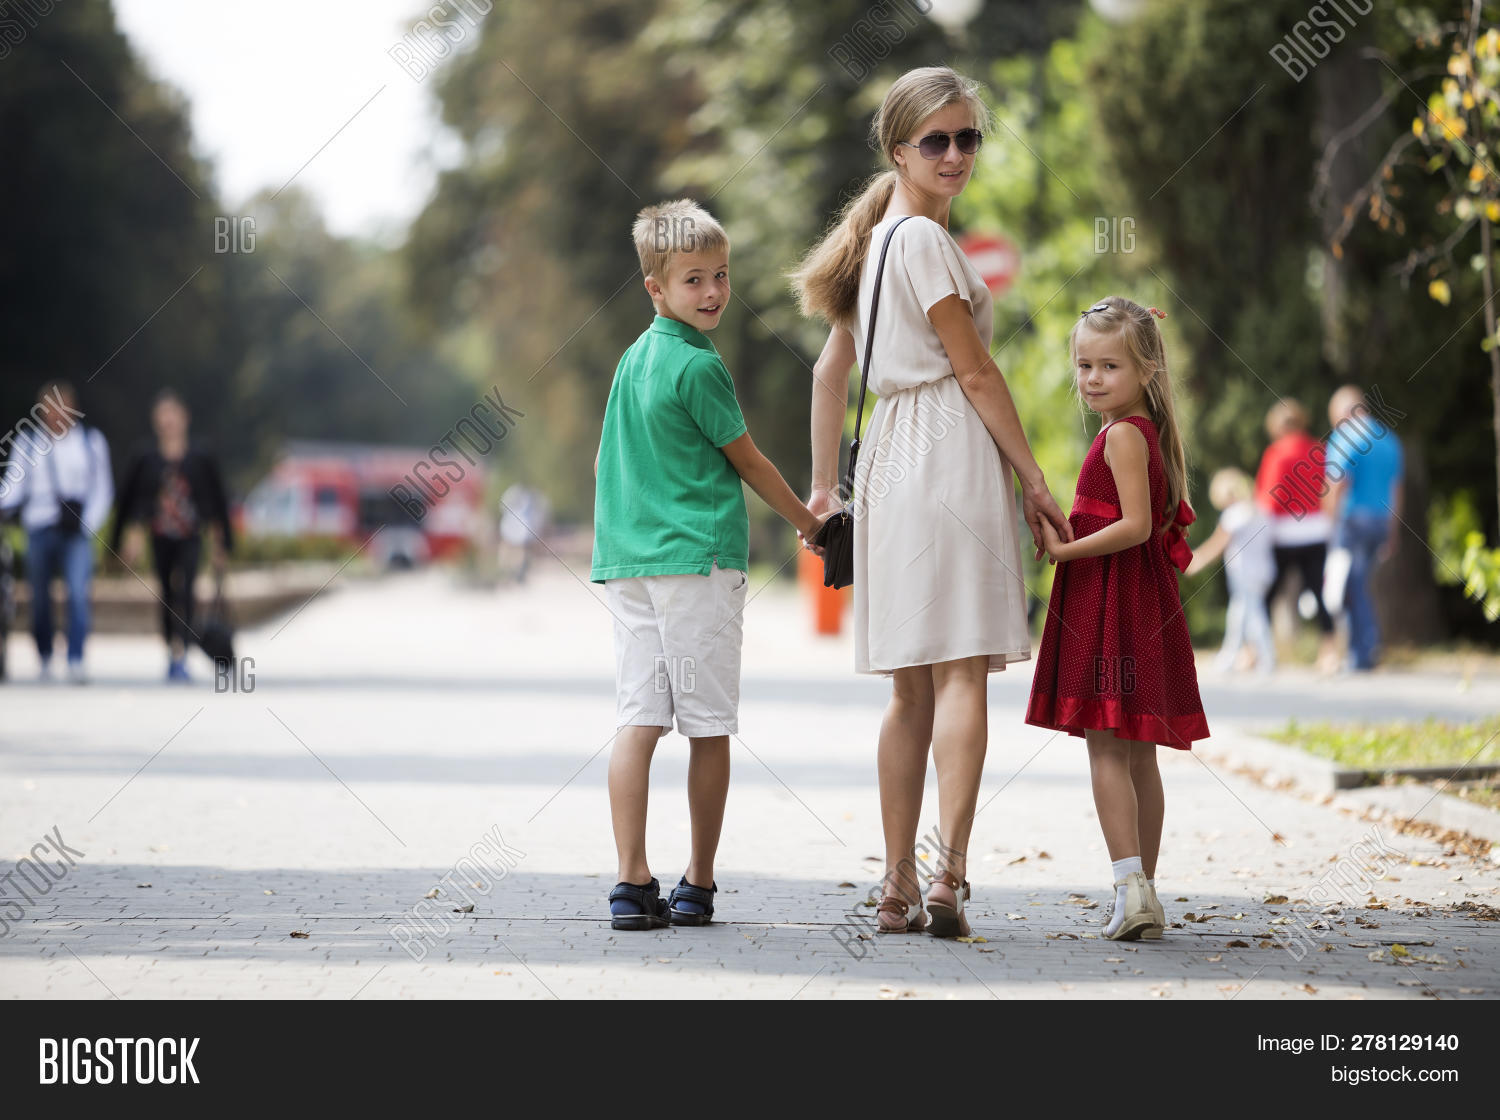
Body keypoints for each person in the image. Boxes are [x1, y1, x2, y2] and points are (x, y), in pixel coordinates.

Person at [795, 67, 1072, 938]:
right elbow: (976, 371)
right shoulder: (920, 241)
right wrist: (1033, 478)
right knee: (957, 678)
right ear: (898, 150)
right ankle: (946, 875)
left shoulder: (876, 244)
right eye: (936, 141)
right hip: (948, 448)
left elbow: (827, 372)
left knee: (908, 691)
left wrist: (824, 486)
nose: (955, 155)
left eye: (967, 138)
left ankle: (894, 883)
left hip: (886, 466)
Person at [591, 198, 824, 931]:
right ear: (657, 287)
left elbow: (605, 462)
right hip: (699, 561)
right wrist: (812, 525)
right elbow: (749, 461)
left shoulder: (632, 360)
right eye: (694, 280)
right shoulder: (698, 365)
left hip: (630, 566)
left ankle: (631, 883)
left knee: (637, 719)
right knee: (707, 726)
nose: (713, 293)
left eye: (720, 276)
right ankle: (697, 882)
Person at [1027, 297, 1209, 942]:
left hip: (1114, 600)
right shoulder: (1132, 432)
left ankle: (1131, 887)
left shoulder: (1125, 435)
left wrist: (1064, 550)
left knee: (1110, 745)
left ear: (1147, 373)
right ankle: (1143, 894)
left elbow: (1133, 526)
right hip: (1127, 598)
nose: (1093, 378)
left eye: (1110, 366)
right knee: (1136, 754)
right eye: (1084, 366)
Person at [111, 389, 233, 682]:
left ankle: (185, 650)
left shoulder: (200, 457)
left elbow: (217, 502)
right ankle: (171, 650)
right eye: (162, 416)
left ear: (184, 418)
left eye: (173, 415)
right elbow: (130, 502)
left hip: (191, 535)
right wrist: (123, 541)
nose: (168, 421)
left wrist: (221, 543)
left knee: (189, 588)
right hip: (160, 535)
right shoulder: (146, 458)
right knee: (166, 593)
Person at [0, 381, 113, 684]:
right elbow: (12, 486)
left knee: (77, 593)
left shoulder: (91, 442)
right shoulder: (27, 443)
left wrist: (89, 522)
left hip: (77, 532)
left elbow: (103, 490)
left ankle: (75, 658)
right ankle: (46, 654)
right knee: (40, 598)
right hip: (39, 529)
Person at [1323, 385, 1403, 671]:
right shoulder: (1390, 439)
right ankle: (1362, 649)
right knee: (1362, 585)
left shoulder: (1345, 435)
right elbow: (1396, 490)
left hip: (1353, 522)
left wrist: (1330, 522)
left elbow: (1338, 484)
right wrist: (1392, 531)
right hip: (1381, 522)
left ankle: (1363, 654)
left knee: (1352, 587)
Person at [1255, 398, 1337, 671]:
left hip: (1284, 534)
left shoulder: (1276, 452)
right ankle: (1329, 651)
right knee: (1317, 590)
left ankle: (1259, 649)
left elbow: (1269, 499)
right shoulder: (1319, 448)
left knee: (1269, 594)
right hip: (1316, 530)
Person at [1187, 468, 1276, 675]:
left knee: (1252, 615)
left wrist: (1195, 561)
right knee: (1242, 613)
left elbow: (1218, 543)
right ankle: (1232, 656)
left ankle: (1265, 658)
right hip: (1263, 570)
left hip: (1246, 573)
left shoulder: (1235, 514)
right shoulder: (1260, 509)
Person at [498, 482, 547, 583]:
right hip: (519, 526)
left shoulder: (517, 494)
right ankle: (513, 573)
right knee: (517, 550)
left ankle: (510, 573)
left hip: (515, 526)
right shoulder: (528, 497)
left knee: (514, 550)